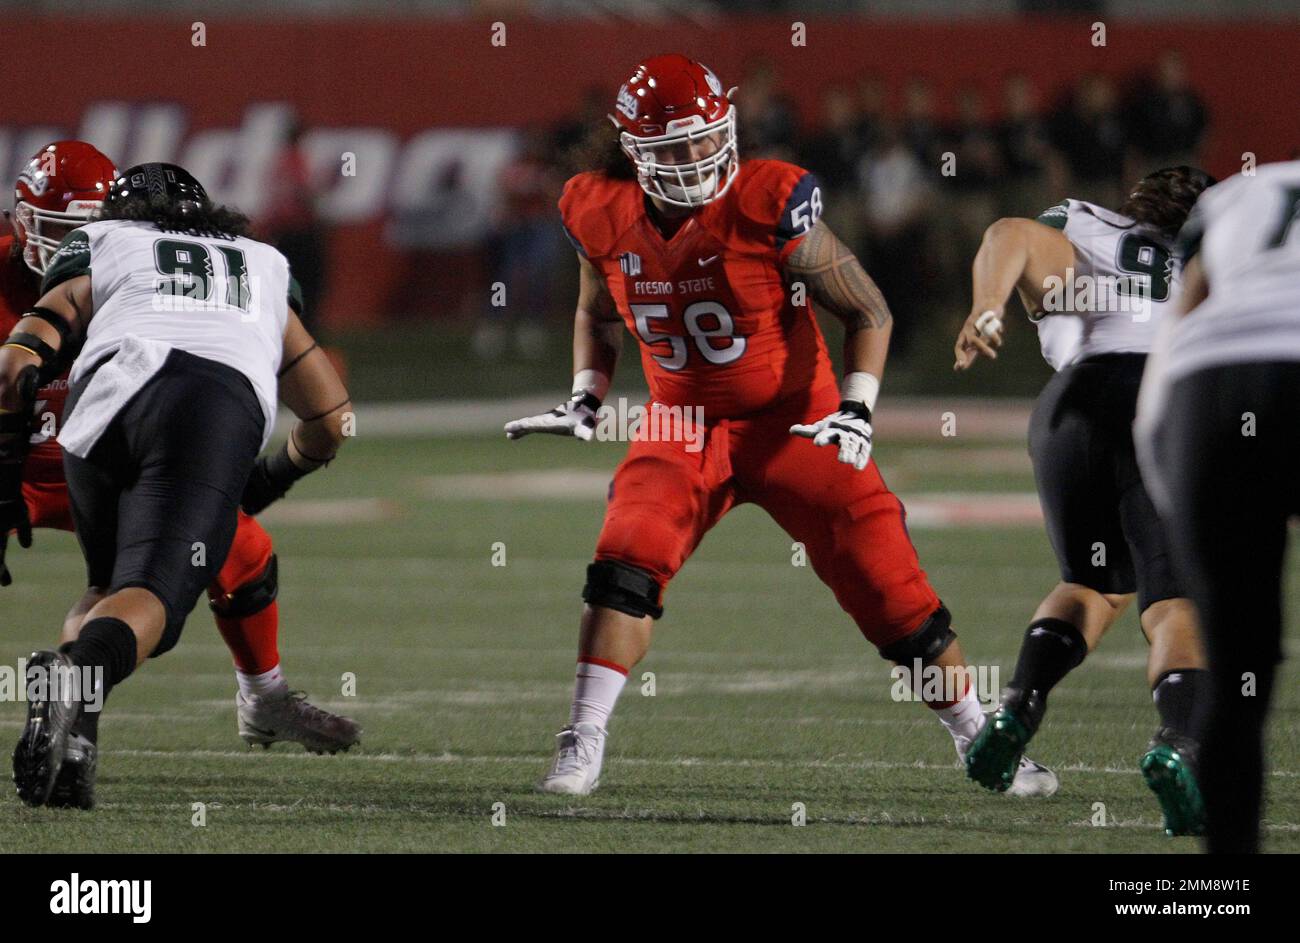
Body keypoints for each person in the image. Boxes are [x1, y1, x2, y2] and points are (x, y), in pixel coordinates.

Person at [506, 54, 1057, 799]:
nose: (700, 157)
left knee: (890, 591)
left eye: (708, 138)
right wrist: (585, 393)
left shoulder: (768, 199)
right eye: (678, 148)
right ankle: (583, 737)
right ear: (636, 154)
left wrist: (858, 408)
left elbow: (869, 308)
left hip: (796, 418)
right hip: (682, 421)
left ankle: (976, 735)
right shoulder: (595, 208)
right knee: (623, 562)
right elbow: (596, 312)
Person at [0, 144, 359, 781]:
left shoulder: (105, 246)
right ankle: (76, 681)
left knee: (187, 568)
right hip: (116, 444)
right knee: (152, 600)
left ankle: (82, 736)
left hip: (93, 436)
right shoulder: (260, 263)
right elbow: (332, 417)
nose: (66, 243)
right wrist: (271, 477)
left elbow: (23, 354)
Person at [953, 166, 1214, 835]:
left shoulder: (1090, 226)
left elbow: (1008, 232)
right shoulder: (1215, 258)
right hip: (1160, 401)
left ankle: (1017, 705)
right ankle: (1178, 745)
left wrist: (986, 307)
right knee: (1176, 601)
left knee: (1092, 584)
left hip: (1068, 410)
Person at [1134, 161, 1300, 852]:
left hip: (1206, 389)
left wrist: (1160, 458)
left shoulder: (1235, 196)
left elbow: (1182, 317)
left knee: (1239, 679)